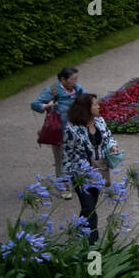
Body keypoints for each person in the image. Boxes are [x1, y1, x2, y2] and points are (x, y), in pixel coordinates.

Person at [61, 92, 119, 242]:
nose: (98, 106)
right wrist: (65, 178)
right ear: (86, 108)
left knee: (89, 207)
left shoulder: (100, 121)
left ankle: (78, 232)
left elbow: (109, 137)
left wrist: (113, 146)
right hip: (81, 174)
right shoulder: (72, 130)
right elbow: (66, 155)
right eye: (95, 104)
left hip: (99, 171)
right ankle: (93, 242)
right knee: (89, 208)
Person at [31, 66, 84, 198]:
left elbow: (87, 100)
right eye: (73, 79)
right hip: (59, 131)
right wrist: (46, 106)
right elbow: (35, 104)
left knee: (78, 156)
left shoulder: (78, 89)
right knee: (61, 160)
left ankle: (78, 182)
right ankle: (64, 188)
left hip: (77, 130)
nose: (76, 81)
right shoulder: (52, 90)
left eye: (76, 78)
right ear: (63, 80)